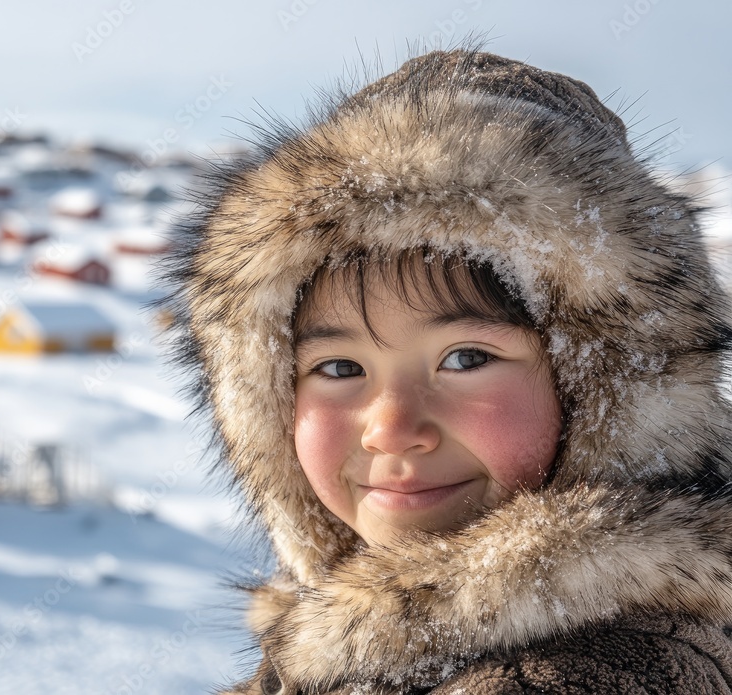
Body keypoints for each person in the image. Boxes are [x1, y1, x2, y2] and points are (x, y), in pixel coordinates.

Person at [162, 47, 732, 693]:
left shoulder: (594, 671)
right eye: (340, 365)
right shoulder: (334, 644)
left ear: (609, 395)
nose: (392, 426)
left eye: (466, 358)